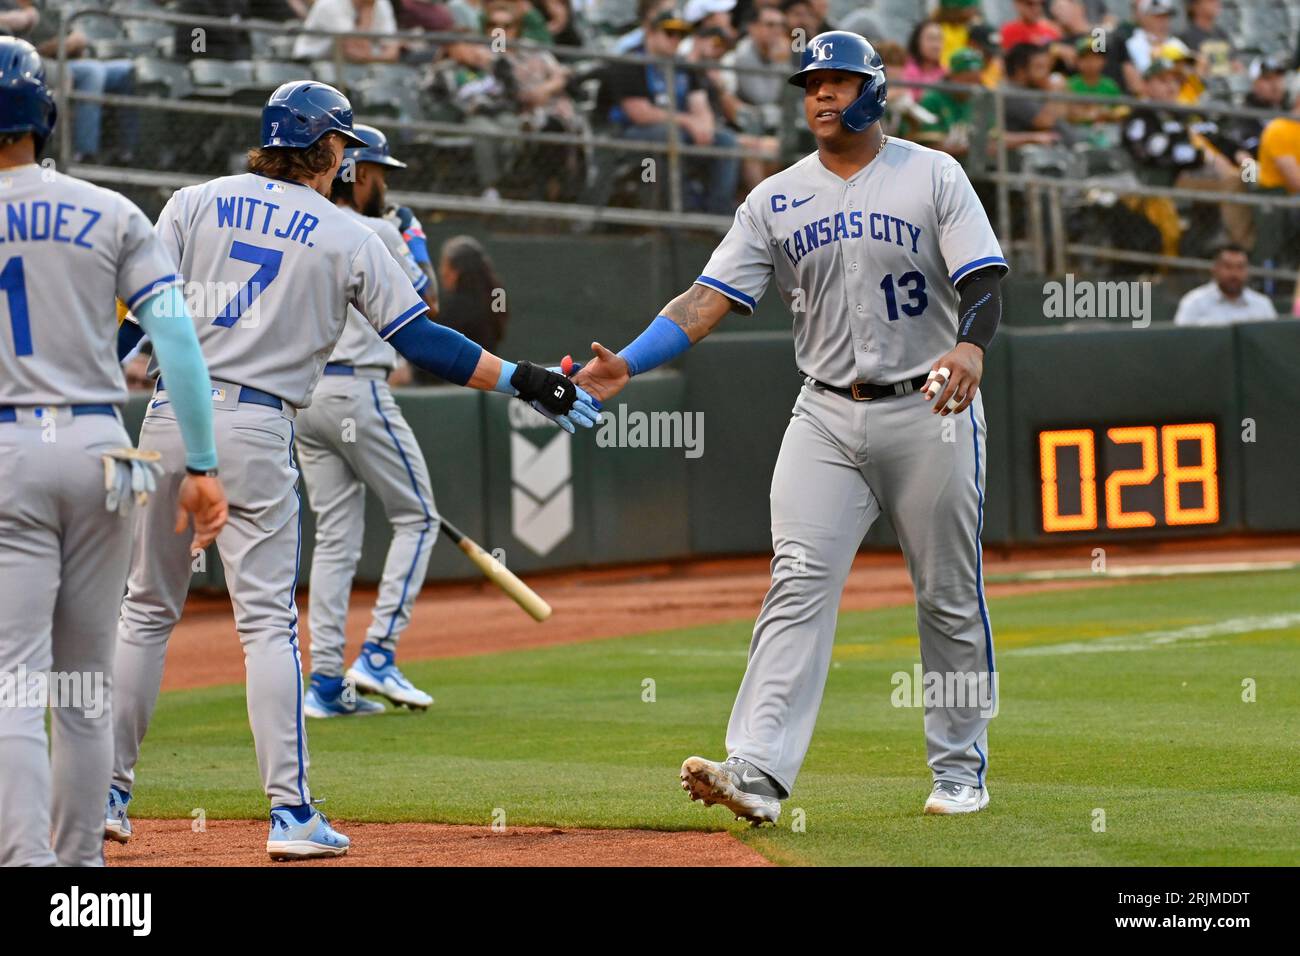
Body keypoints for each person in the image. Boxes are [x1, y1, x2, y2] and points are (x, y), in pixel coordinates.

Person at [107, 80, 599, 861]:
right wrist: (525, 378)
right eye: (345, 148)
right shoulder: (349, 234)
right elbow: (425, 343)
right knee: (266, 625)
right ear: (331, 150)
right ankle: (290, 815)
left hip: (174, 413)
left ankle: (109, 793)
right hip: (262, 424)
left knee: (143, 610)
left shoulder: (193, 201)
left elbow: (139, 311)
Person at [572, 30, 1008, 821]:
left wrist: (972, 344)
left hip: (930, 406)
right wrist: (629, 364)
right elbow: (705, 301)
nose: (822, 95)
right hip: (826, 411)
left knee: (947, 595)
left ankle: (959, 769)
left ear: (873, 89)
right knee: (797, 579)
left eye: (838, 80)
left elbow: (983, 276)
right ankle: (759, 773)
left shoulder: (933, 174)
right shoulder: (775, 196)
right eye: (812, 84)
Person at [0, 37, 226, 867]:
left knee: (15, 686)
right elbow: (177, 342)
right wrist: (200, 467)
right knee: (85, 688)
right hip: (102, 445)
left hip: (7, 447)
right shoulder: (110, 209)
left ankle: (23, 867)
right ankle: (81, 877)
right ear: (45, 117)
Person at [296, 125, 442, 720]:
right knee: (418, 517)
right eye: (377, 171)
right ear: (355, 170)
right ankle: (378, 653)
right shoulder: (377, 228)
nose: (383, 182)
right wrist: (415, 241)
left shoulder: (307, 225)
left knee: (335, 536)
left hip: (305, 398)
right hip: (359, 389)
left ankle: (325, 684)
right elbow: (424, 302)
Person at [605, 6, 741, 214]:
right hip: (630, 132)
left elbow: (699, 103)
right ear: (651, 33)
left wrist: (704, 125)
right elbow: (639, 113)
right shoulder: (631, 62)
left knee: (726, 141)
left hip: (677, 127)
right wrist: (688, 121)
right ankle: (681, 211)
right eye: (669, 33)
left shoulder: (683, 65)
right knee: (671, 135)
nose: (675, 39)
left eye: (680, 35)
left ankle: (718, 213)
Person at [1172, 244, 1278, 325]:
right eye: (1228, 267)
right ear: (1215, 269)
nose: (1234, 274)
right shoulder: (1194, 303)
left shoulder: (1263, 305)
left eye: (1240, 267)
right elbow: (1181, 342)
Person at [292, 0, 402, 62]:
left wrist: (370, 58)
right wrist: (367, 14)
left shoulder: (381, 3)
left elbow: (393, 52)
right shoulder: (330, 4)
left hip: (345, 66)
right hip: (310, 63)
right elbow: (353, 49)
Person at [900, 20, 946, 96]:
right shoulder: (903, 69)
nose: (936, 45)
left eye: (939, 39)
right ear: (917, 41)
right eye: (931, 39)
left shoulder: (945, 72)